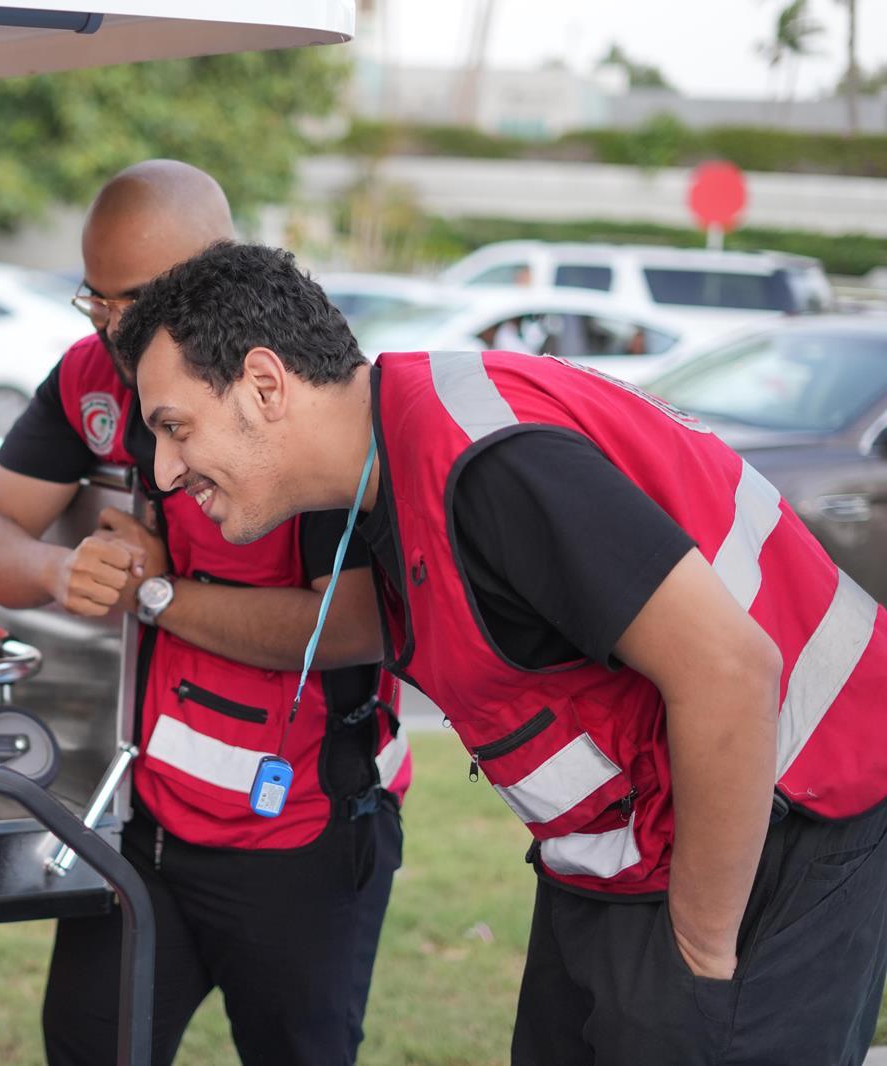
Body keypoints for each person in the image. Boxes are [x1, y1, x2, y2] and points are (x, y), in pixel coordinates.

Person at [117, 240, 887, 1066]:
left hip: (782, 819)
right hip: (624, 849)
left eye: (174, 428)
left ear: (266, 385)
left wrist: (700, 951)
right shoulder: (388, 455)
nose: (165, 470)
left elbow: (732, 671)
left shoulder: (485, 463)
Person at [0, 161, 409, 1066]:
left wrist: (156, 597)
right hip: (140, 819)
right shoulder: (93, 372)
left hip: (300, 834)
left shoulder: (302, 398)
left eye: (136, 300)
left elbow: (353, 627)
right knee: (85, 1046)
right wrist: (61, 567)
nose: (113, 327)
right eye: (96, 300)